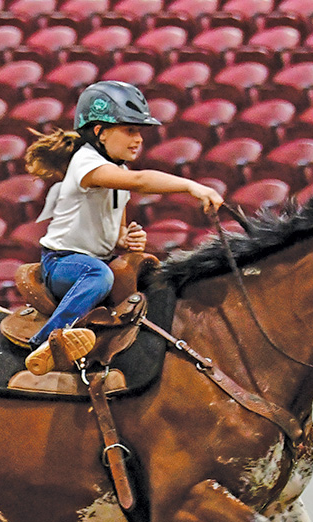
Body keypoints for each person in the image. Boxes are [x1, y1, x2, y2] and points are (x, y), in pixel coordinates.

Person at [19, 80, 223, 375]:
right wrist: (192, 186)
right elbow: (141, 181)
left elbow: (117, 233)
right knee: (97, 275)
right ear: (100, 132)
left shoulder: (117, 171)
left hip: (97, 259)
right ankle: (47, 342)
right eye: (129, 130)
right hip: (63, 263)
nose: (138, 139)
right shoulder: (86, 163)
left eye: (139, 132)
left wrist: (126, 240)